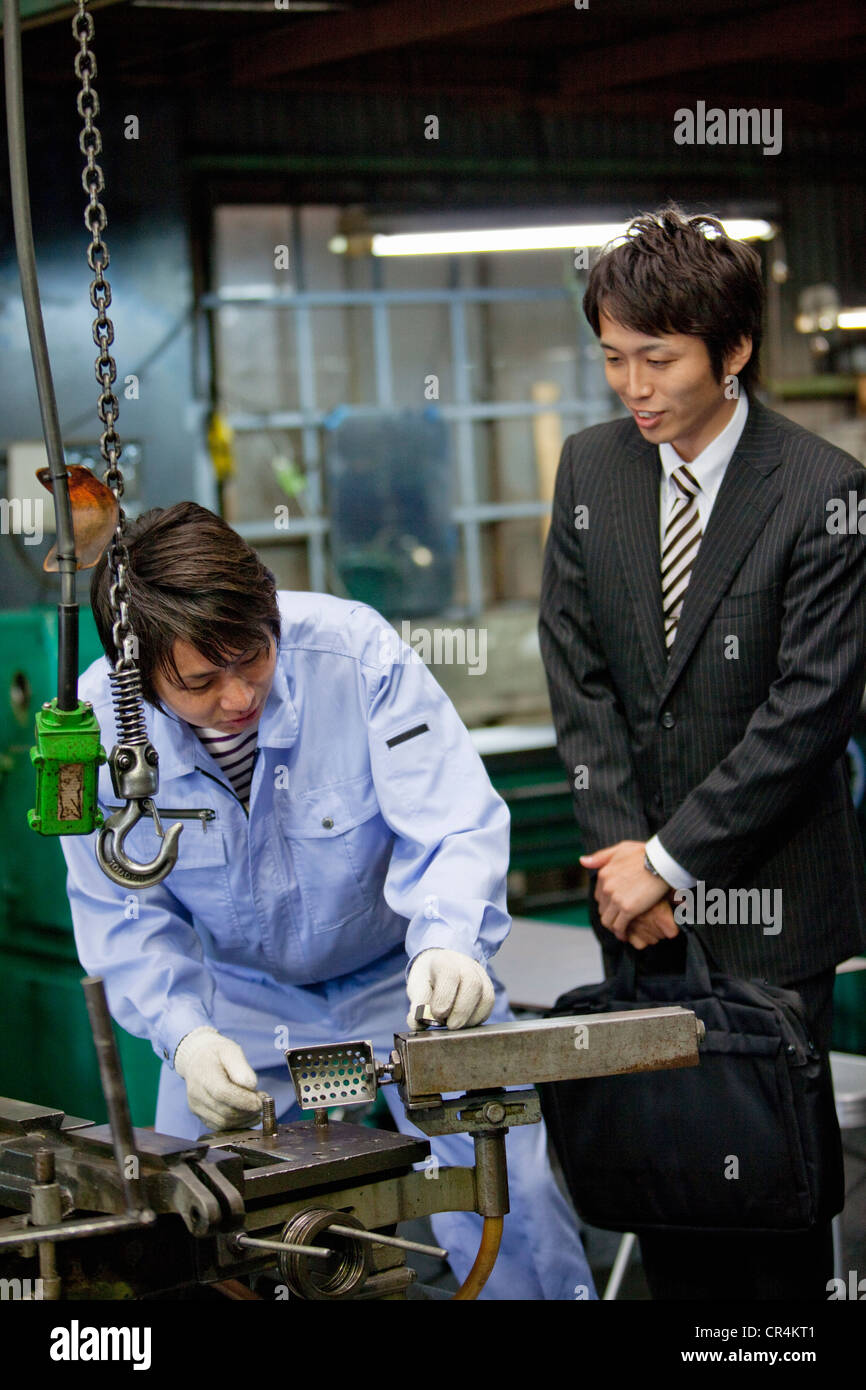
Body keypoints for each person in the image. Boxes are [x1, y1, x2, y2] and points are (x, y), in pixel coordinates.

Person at [60, 501, 595, 1301]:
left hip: (405, 981)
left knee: (516, 1202)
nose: (238, 696)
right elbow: (123, 913)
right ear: (140, 678)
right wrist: (186, 1036)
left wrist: (449, 941)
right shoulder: (97, 728)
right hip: (236, 1002)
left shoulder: (355, 652)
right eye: (202, 683)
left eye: (252, 658)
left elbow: (450, 819)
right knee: (189, 1219)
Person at [538, 205, 866, 1300]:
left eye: (655, 358)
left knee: (766, 1199)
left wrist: (671, 859)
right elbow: (574, 671)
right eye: (611, 359)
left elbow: (808, 709)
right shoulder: (590, 472)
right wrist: (620, 860)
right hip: (635, 910)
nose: (629, 386)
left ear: (729, 352)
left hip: (770, 901)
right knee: (662, 1173)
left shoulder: (821, 490)